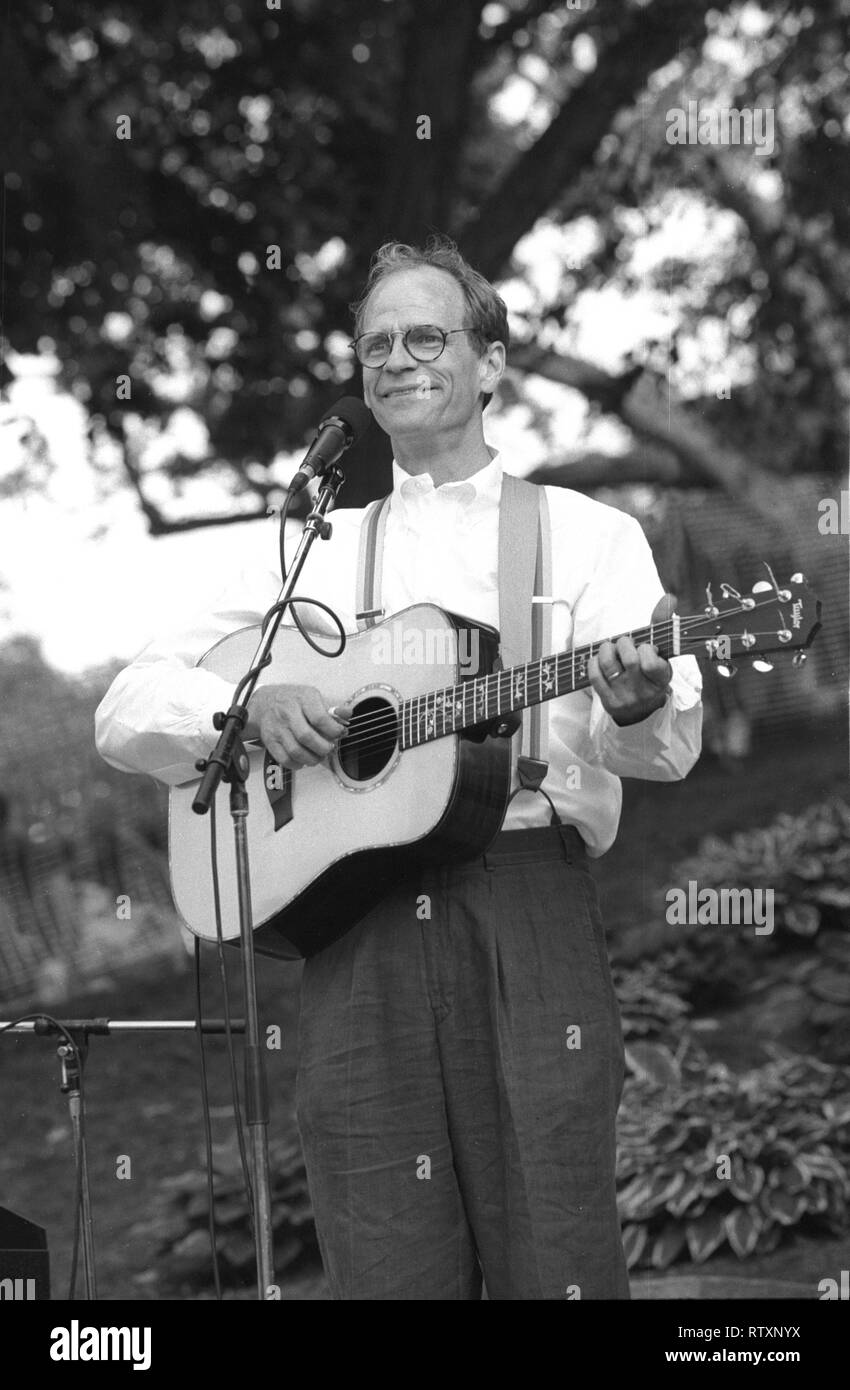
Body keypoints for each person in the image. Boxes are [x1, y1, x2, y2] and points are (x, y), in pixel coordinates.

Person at [95, 236, 702, 1300]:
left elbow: (658, 746)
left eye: (428, 334)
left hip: (523, 907)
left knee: (552, 1244)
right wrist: (244, 707)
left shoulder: (588, 534)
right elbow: (127, 706)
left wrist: (640, 699)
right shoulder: (307, 551)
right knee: (384, 1256)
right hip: (352, 924)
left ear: (491, 360)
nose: (398, 358)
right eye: (375, 343)